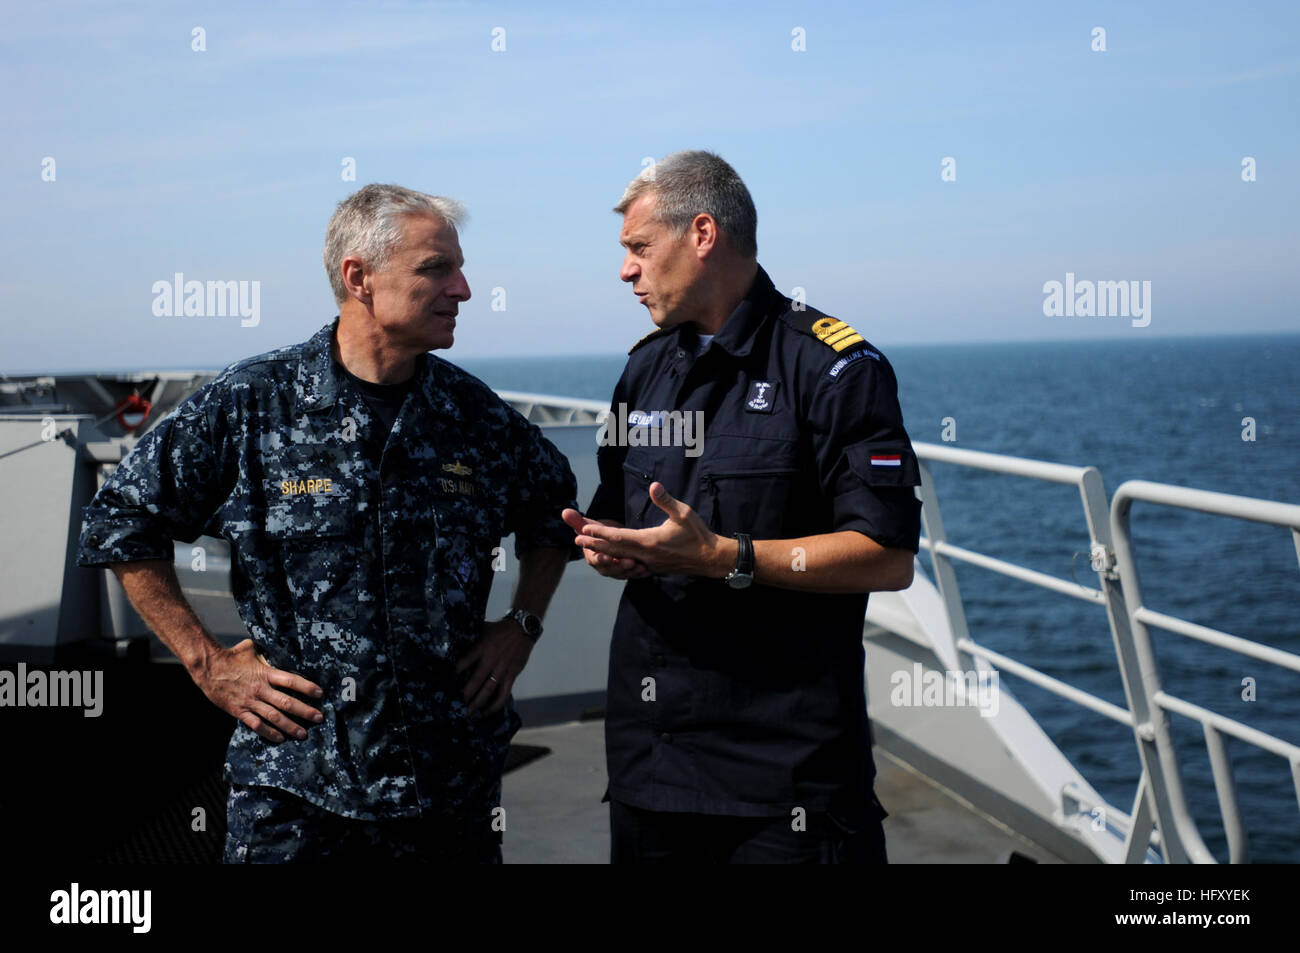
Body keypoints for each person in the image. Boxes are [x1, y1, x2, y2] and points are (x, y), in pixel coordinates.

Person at [77, 183, 578, 863]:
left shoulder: (473, 415)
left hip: (448, 792)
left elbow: (558, 515)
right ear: (359, 278)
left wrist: (521, 626)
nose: (462, 288)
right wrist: (206, 662)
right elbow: (121, 520)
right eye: (436, 268)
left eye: (458, 268)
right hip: (297, 796)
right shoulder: (252, 404)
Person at [562, 151, 923, 864]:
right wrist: (611, 548)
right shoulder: (642, 370)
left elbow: (888, 555)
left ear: (702, 234)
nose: (625, 271)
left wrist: (725, 557)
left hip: (784, 783)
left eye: (638, 248)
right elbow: (622, 512)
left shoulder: (835, 369)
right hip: (650, 768)